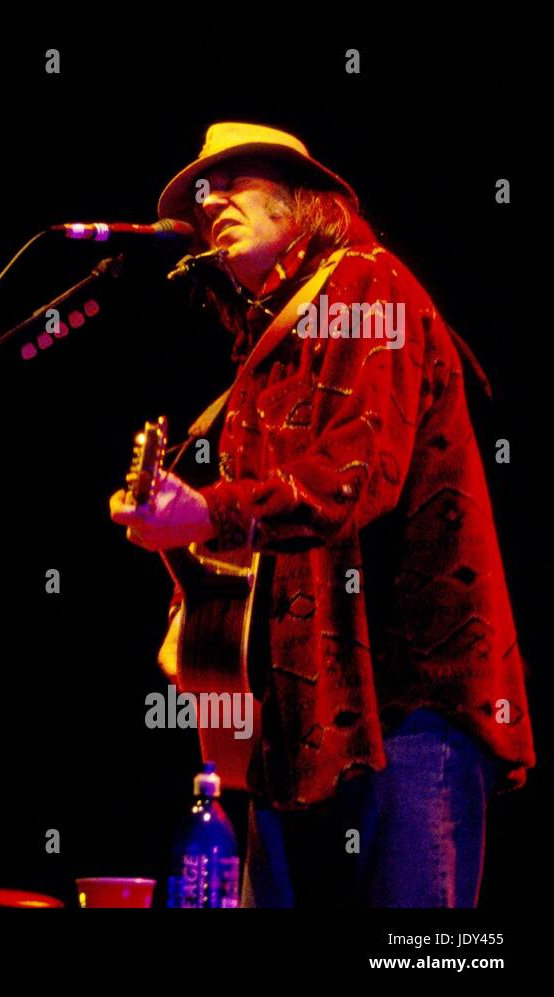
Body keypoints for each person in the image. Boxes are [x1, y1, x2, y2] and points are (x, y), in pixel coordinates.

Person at [109, 123, 535, 907]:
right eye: (204, 199)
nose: (214, 205)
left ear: (301, 199)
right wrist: (192, 604)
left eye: (235, 182)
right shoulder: (261, 352)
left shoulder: (372, 285)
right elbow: (263, 540)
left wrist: (203, 512)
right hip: (303, 721)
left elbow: (353, 476)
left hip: (411, 703)